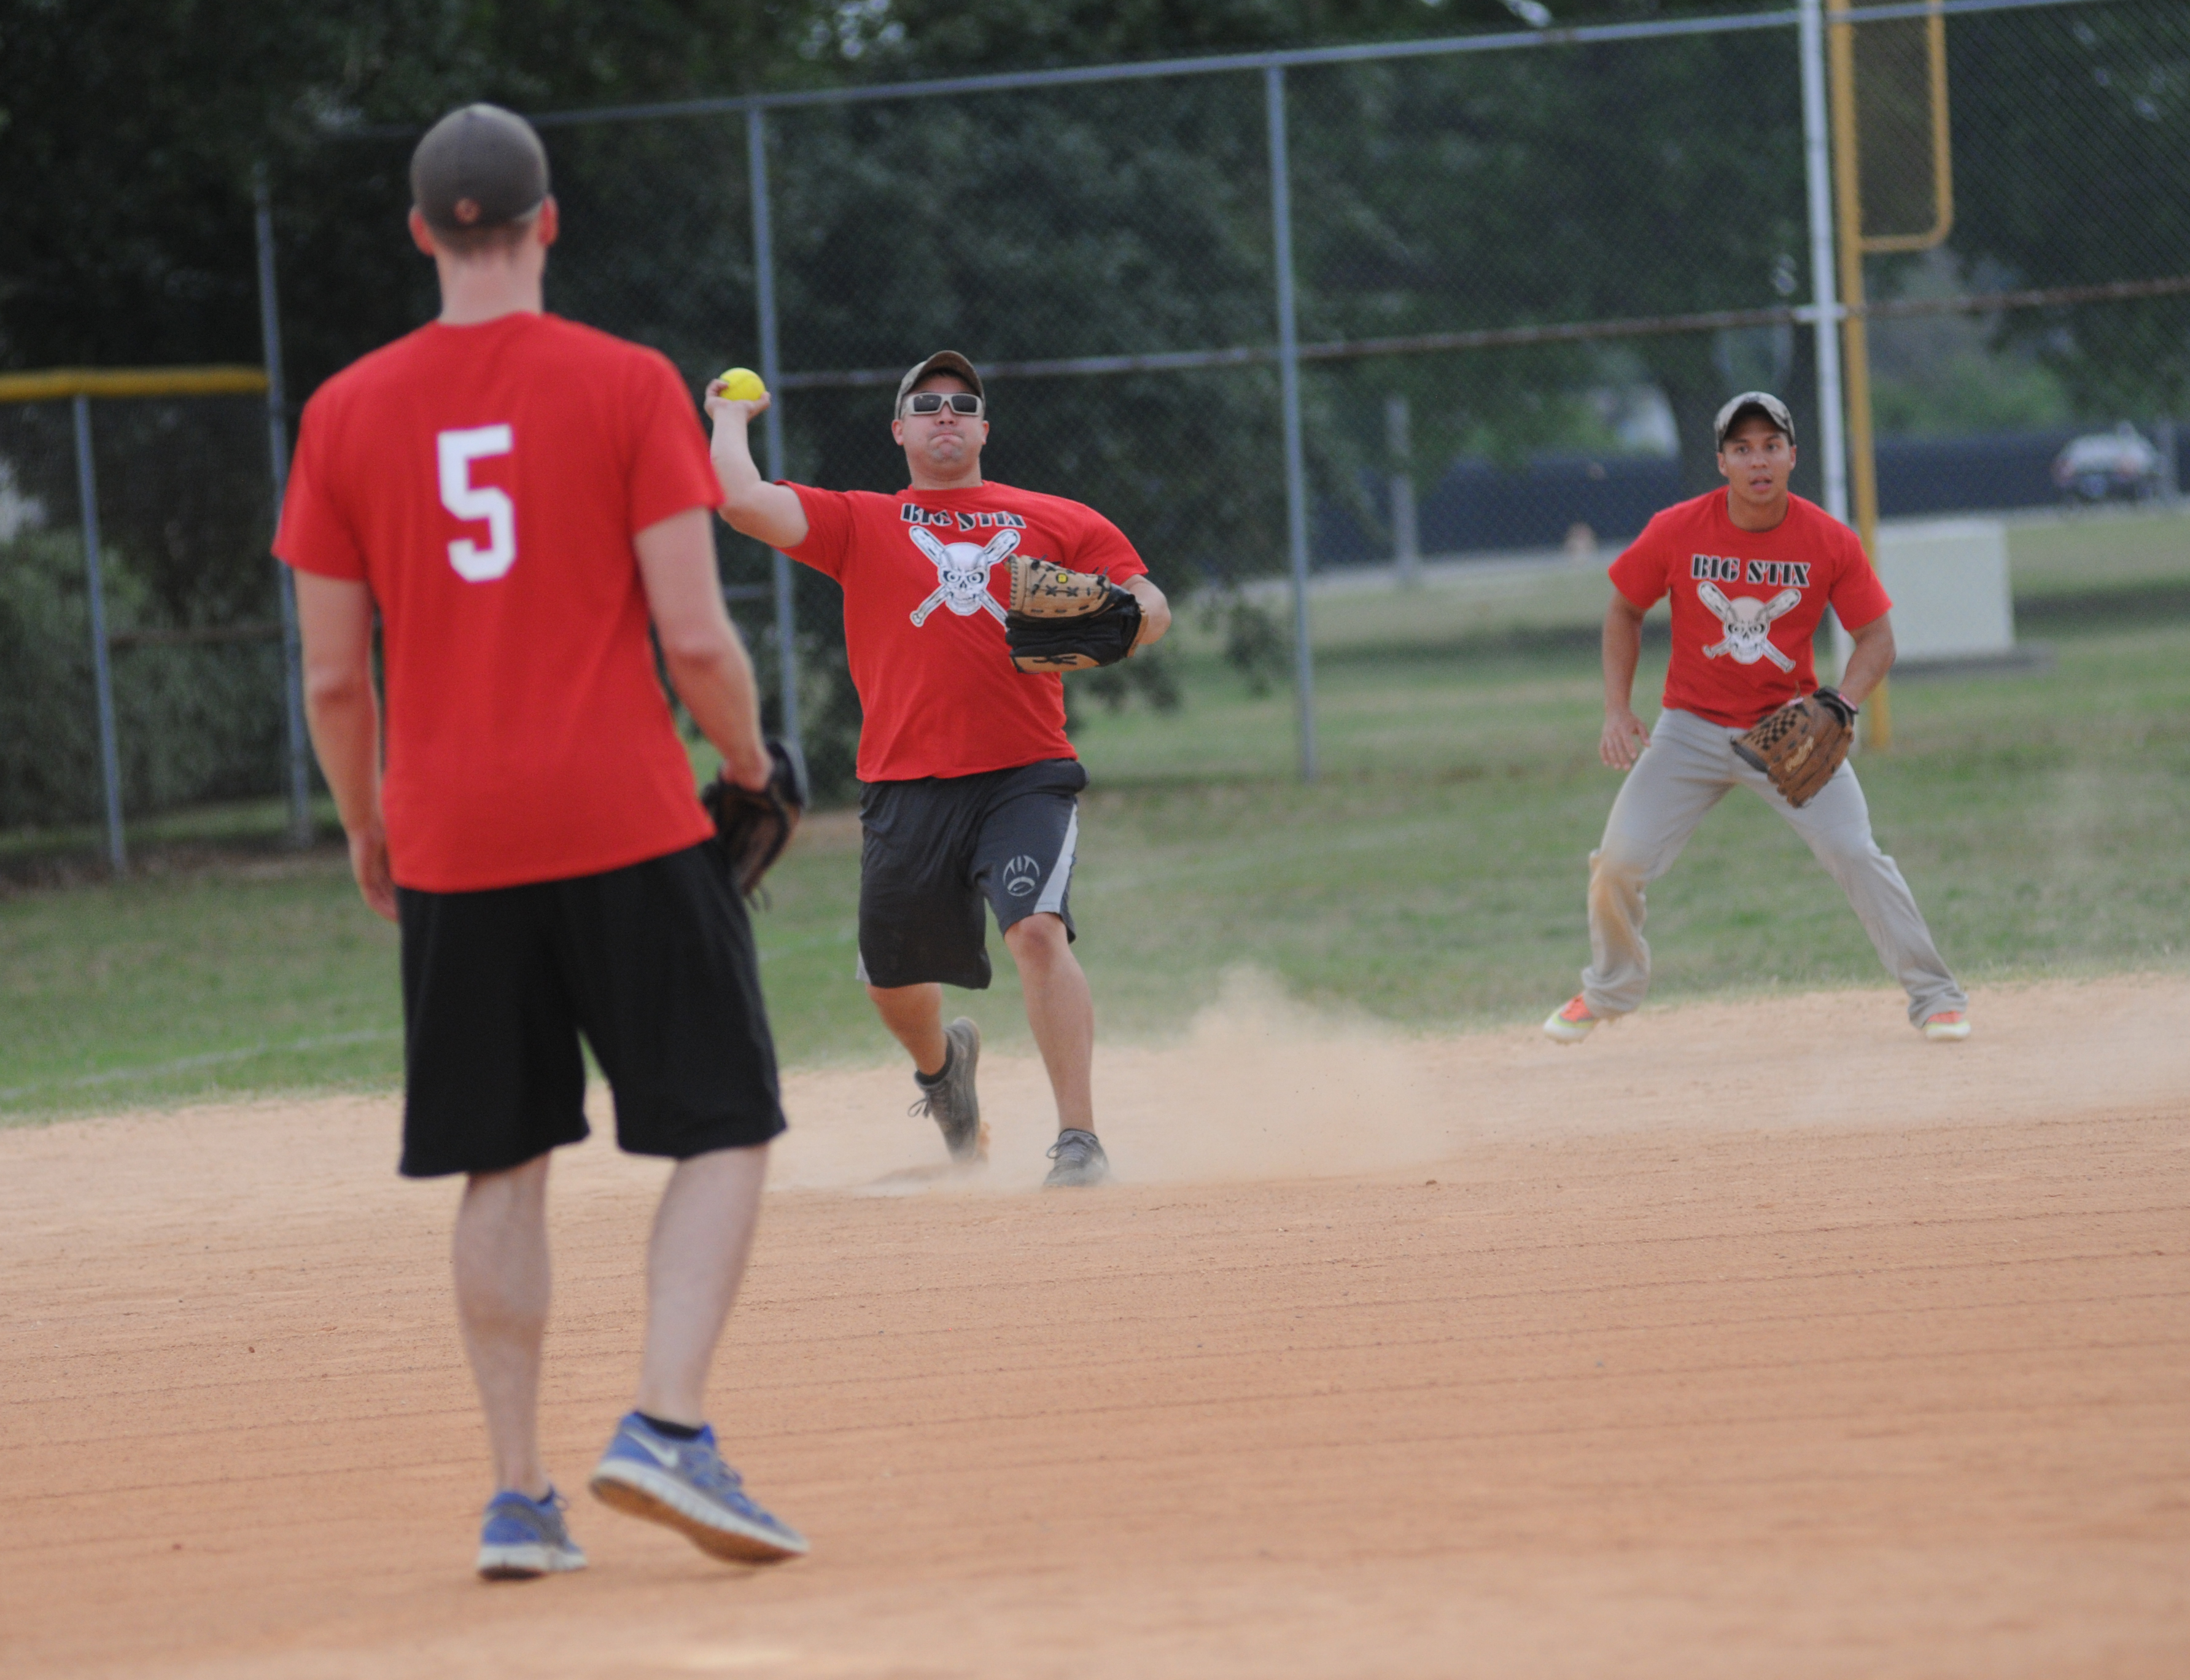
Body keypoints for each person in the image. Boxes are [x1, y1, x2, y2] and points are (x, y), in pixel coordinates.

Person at [274, 104, 806, 1582]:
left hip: (450, 837)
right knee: (723, 1120)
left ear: (420, 230)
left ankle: (518, 1496)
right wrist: (749, 761)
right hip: (624, 818)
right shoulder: (628, 384)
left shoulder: (346, 412)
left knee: (496, 1162)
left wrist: (371, 823)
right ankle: (668, 1423)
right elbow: (695, 631)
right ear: (546, 222)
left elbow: (331, 673)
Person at [710, 352, 1171, 1186]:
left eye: (962, 404)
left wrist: (1123, 622)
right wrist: (728, 419)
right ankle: (943, 1070)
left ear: (984, 428)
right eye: (926, 405)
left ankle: (1078, 1141)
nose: (945, 414)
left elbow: (1150, 603)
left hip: (1023, 772)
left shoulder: (1055, 518)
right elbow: (741, 504)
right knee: (893, 984)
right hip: (904, 782)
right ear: (900, 431)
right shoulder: (860, 521)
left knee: (1035, 930)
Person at [1543, 391, 1971, 1044]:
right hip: (1688, 726)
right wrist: (1616, 708)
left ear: (1793, 455)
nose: (1758, 460)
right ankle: (1609, 990)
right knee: (1619, 860)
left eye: (1771, 445)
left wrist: (1841, 703)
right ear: (1721, 462)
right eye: (1742, 448)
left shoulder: (1828, 540)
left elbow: (1878, 639)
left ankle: (1936, 996)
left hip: (1788, 732)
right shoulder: (1677, 529)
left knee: (1855, 852)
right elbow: (1624, 609)